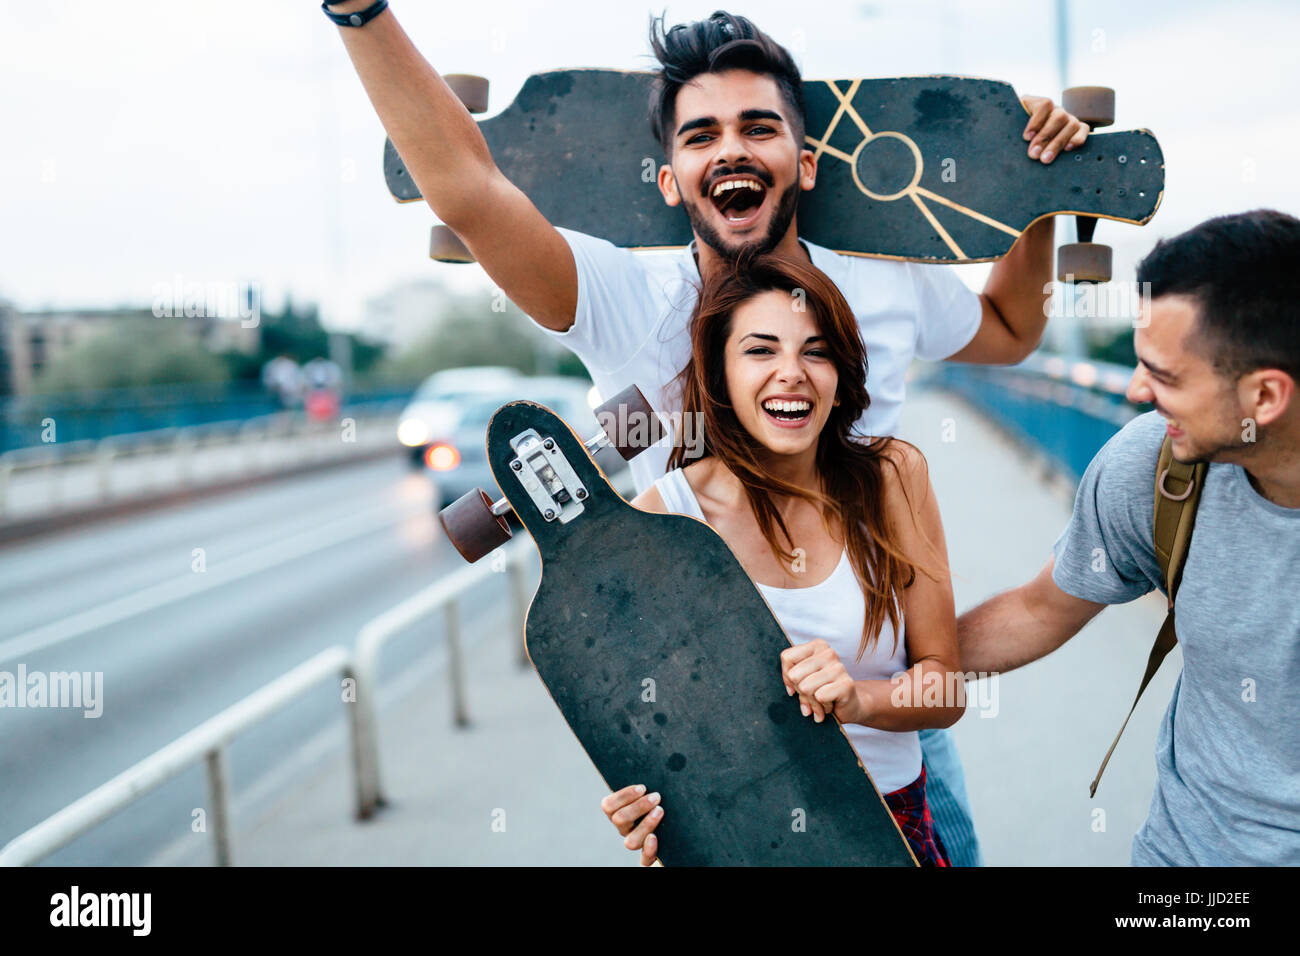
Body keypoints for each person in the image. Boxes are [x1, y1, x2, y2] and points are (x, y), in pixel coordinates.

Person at [326, 4, 1093, 865]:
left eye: (758, 127)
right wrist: (359, 14)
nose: (730, 147)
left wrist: (1041, 195)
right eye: (701, 135)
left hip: (881, 697)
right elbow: (470, 190)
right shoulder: (627, 302)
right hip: (719, 725)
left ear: (803, 164)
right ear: (668, 179)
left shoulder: (882, 283)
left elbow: (1008, 328)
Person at [957, 209, 1300, 865]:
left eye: (1166, 377)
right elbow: (1039, 609)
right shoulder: (1155, 470)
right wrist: (884, 679)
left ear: (1265, 398)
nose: (1136, 390)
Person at [602, 251, 964, 865]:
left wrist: (859, 700)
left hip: (890, 827)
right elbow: (644, 720)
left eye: (816, 351)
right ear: (719, 372)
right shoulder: (666, 515)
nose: (792, 372)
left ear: (841, 372)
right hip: (747, 839)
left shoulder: (893, 477)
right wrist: (643, 810)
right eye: (761, 350)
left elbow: (946, 686)